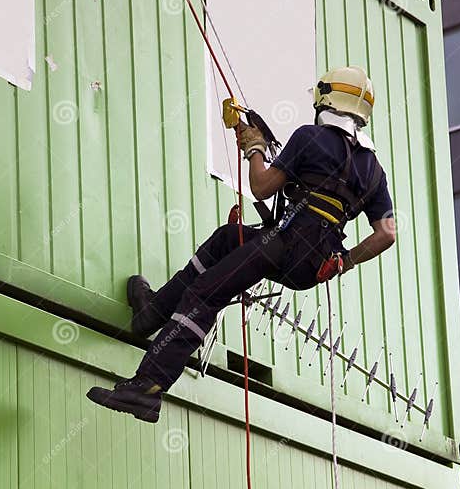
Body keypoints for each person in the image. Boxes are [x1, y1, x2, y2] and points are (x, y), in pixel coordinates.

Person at [87, 66, 396, 423]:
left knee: (205, 294)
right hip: (312, 266)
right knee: (227, 239)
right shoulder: (374, 169)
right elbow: (386, 232)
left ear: (326, 101)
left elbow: (261, 187)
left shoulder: (310, 137)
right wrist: (344, 261)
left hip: (283, 245)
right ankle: (152, 314)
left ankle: (148, 387)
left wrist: (255, 149)